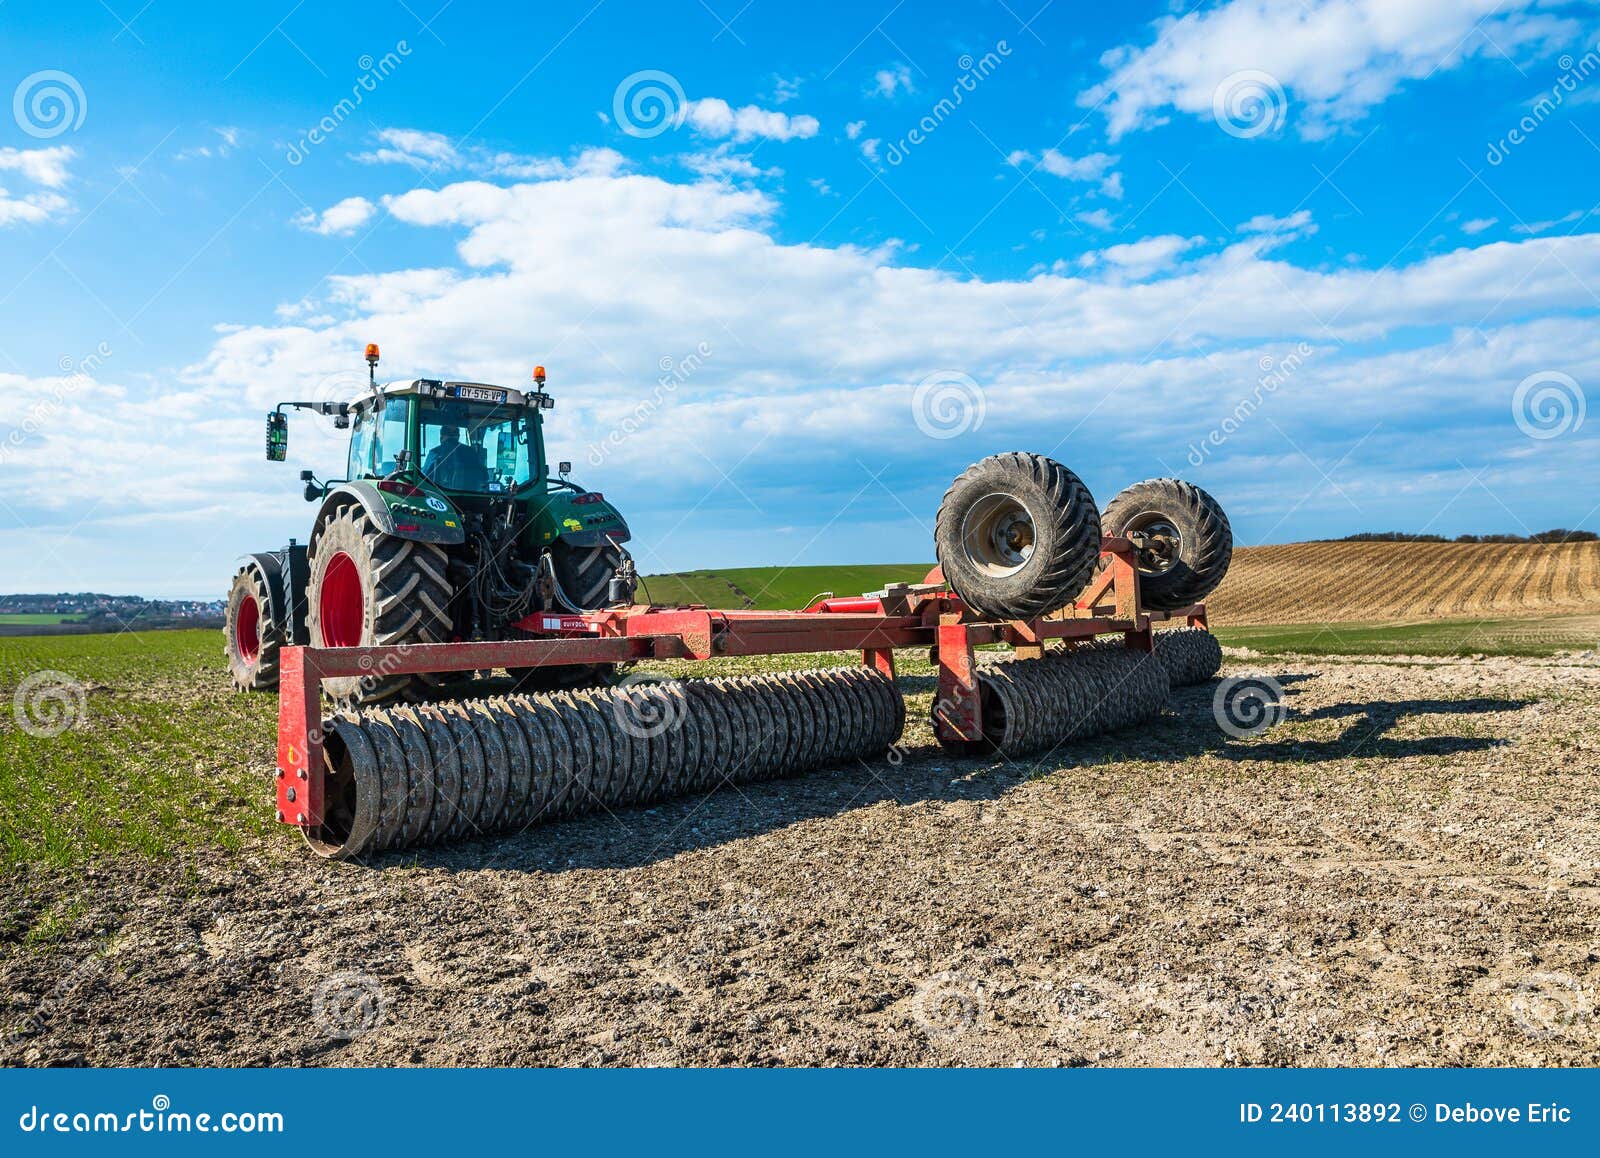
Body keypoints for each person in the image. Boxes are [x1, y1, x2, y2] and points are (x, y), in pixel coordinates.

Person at [423, 424, 483, 489]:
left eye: (455, 432)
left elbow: (424, 477)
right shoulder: (471, 452)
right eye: (447, 432)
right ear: (458, 436)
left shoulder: (435, 452)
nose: (451, 435)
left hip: (440, 496)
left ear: (441, 437)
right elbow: (484, 476)